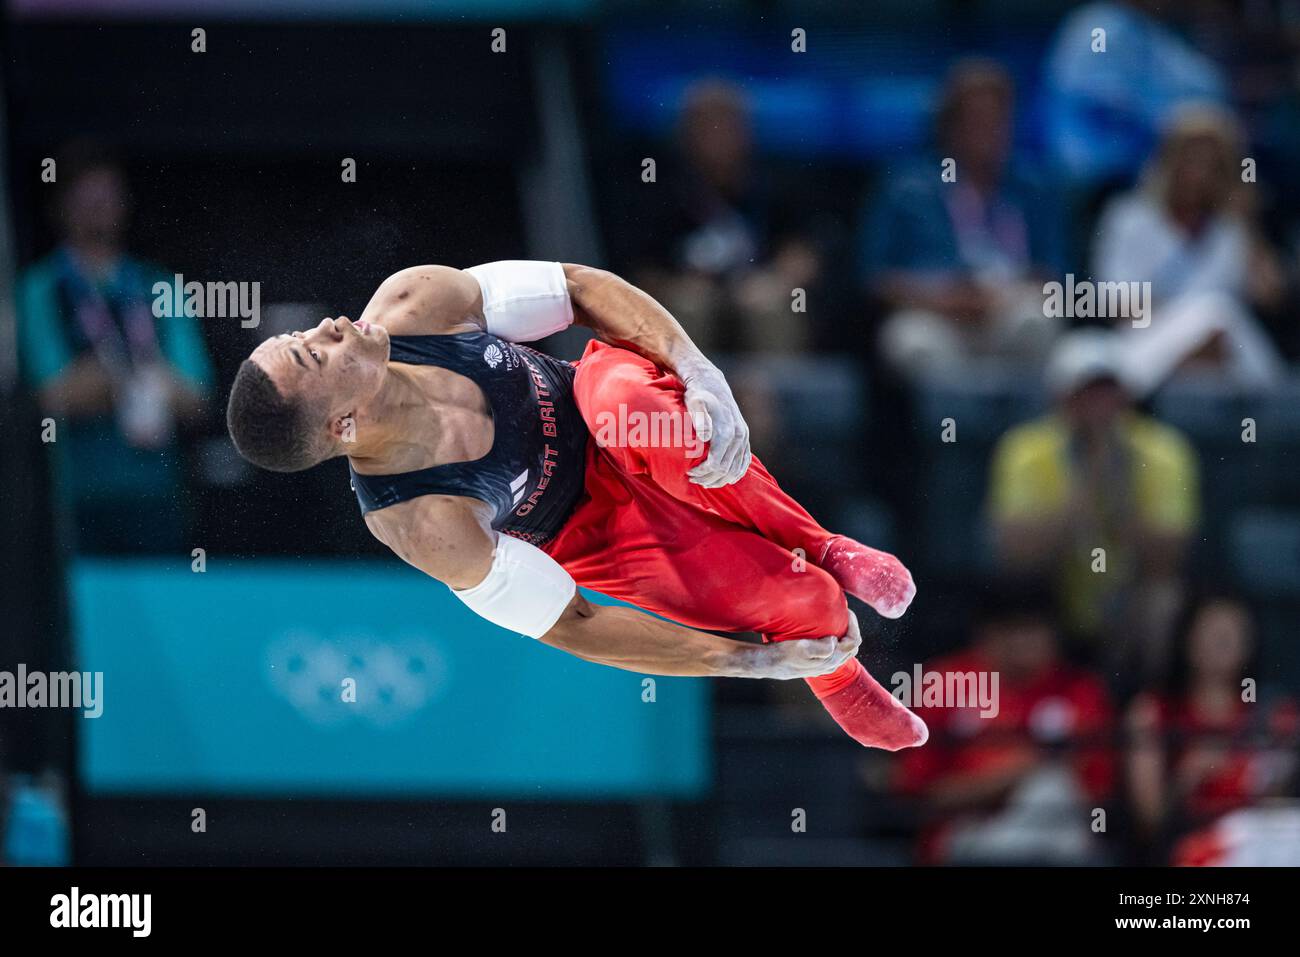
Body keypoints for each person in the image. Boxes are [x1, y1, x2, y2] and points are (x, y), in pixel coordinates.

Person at [225, 260, 927, 751]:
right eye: (319, 353)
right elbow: (574, 622)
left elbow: (581, 287)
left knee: (638, 415)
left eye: (308, 331)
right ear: (342, 427)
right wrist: (742, 662)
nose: (333, 326)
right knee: (794, 605)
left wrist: (697, 369)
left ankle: (830, 544)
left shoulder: (415, 302)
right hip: (600, 538)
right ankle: (839, 673)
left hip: (598, 401)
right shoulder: (420, 521)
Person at [17, 144, 213, 553]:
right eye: (85, 200)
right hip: (76, 493)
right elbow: (49, 394)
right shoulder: (40, 289)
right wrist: (138, 380)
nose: (97, 210)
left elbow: (196, 396)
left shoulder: (158, 285)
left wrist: (106, 383)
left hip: (154, 492)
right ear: (60, 208)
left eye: (106, 198)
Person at [987, 329, 1199, 672]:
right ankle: (1042, 708)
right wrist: (1082, 491)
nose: (1098, 407)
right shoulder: (1025, 450)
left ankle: (1150, 700)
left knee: (1164, 600)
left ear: (1126, 397)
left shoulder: (1163, 451)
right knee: (1017, 601)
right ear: (1062, 398)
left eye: (1107, 392)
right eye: (1086, 394)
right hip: (1056, 590)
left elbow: (1170, 558)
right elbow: (1014, 556)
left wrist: (1118, 491)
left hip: (1129, 590)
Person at [860, 59, 1065, 379]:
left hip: (1008, 310)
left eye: (998, 121)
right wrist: (942, 299)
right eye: (976, 121)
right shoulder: (908, 188)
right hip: (934, 315)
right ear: (949, 125)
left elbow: (1054, 274)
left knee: (1036, 320)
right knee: (913, 341)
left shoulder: (1032, 188)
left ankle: (1022, 428)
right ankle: (946, 429)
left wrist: (1002, 296)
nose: (988, 133)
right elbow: (875, 277)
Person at [894, 579, 1114, 865]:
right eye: (1008, 630)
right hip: (966, 838)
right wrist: (1026, 768)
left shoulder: (1082, 692)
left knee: (1051, 791)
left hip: (1060, 841)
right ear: (982, 635)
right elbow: (921, 796)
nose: (1020, 643)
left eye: (1032, 630)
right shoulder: (943, 685)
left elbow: (1095, 795)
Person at [1092, 105, 1289, 394]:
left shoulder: (1231, 227)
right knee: (1212, 311)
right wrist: (1191, 325)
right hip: (1146, 345)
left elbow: (1270, 295)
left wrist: (1248, 224)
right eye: (1191, 161)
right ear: (1168, 162)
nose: (1199, 174)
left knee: (1220, 317)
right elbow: (1115, 304)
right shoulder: (1129, 217)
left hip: (1226, 351)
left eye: (1211, 165)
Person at [1125, 591, 1298, 863]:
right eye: (1213, 631)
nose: (1223, 641)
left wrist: (1273, 781)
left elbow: (1282, 808)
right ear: (1188, 639)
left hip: (1260, 842)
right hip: (1188, 844)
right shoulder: (1152, 711)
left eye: (1233, 632)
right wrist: (1188, 777)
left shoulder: (1272, 714)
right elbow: (1149, 820)